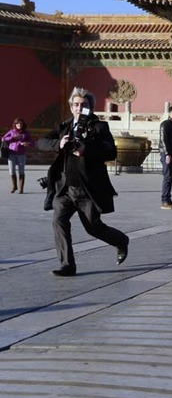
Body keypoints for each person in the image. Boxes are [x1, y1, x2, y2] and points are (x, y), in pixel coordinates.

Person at [38, 87, 130, 277]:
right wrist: (59, 144)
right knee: (59, 220)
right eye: (76, 105)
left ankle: (121, 241)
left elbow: (111, 151)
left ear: (91, 107)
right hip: (64, 188)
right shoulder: (64, 126)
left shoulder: (99, 127)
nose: (79, 108)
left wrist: (86, 148)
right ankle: (67, 265)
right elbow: (41, 141)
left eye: (84, 105)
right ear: (71, 107)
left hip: (87, 189)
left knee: (93, 228)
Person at [3, 117, 36, 193]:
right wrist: (12, 137)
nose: (19, 125)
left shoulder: (26, 133)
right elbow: (3, 139)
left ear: (23, 124)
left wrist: (27, 143)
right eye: (18, 123)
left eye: (21, 123)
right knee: (12, 170)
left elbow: (33, 143)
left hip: (21, 154)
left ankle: (21, 189)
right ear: (15, 124)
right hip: (11, 154)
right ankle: (14, 186)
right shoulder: (11, 132)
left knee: (21, 171)